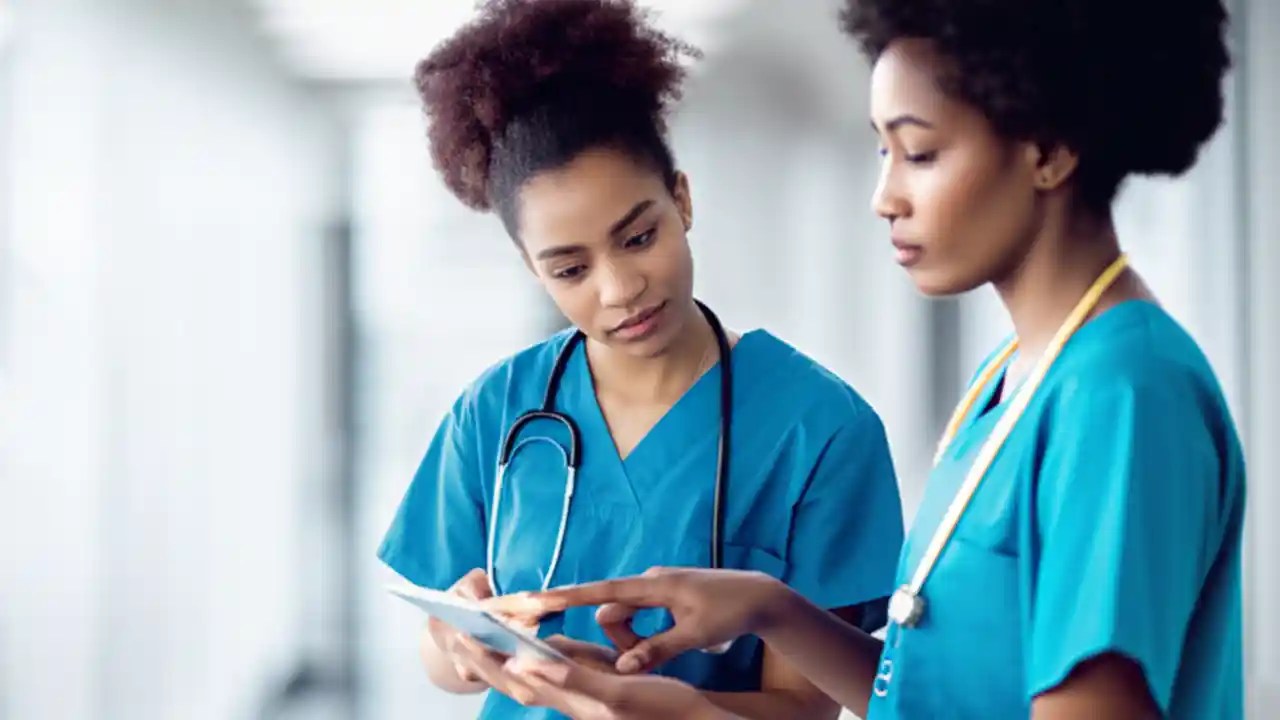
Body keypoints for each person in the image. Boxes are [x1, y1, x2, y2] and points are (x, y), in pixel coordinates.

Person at [492, 0, 1247, 718]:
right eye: (882, 150)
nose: (884, 196)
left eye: (919, 152)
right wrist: (770, 608)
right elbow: (924, 695)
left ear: (1047, 150)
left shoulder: (1120, 394)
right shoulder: (1014, 377)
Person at [375, 1, 906, 718]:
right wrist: (462, 644)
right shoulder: (494, 411)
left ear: (681, 200)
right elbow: (440, 651)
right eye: (570, 269)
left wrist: (656, 708)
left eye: (638, 237)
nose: (620, 290)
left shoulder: (820, 428)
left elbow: (806, 708)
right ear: (532, 268)